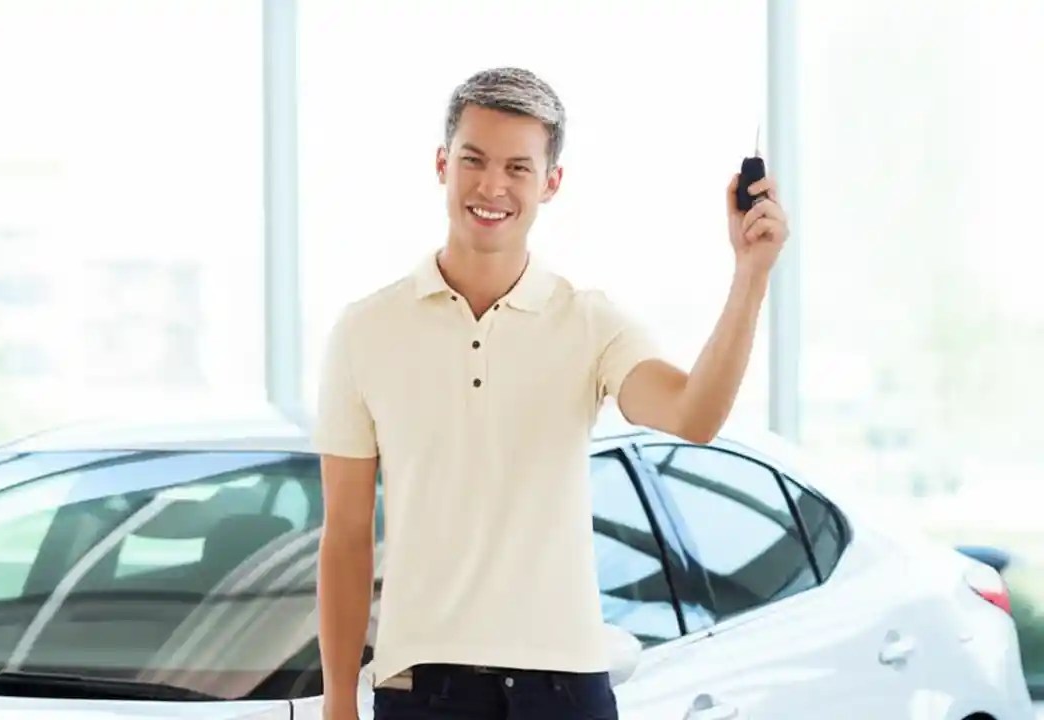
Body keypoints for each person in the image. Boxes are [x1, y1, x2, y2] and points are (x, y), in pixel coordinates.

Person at [313, 67, 789, 720]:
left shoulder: (591, 323)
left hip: (564, 690)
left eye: (518, 168)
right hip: (422, 692)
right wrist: (338, 703)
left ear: (551, 182)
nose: (491, 186)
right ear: (441, 164)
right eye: (474, 161)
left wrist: (750, 275)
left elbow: (693, 415)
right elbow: (344, 536)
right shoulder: (364, 330)